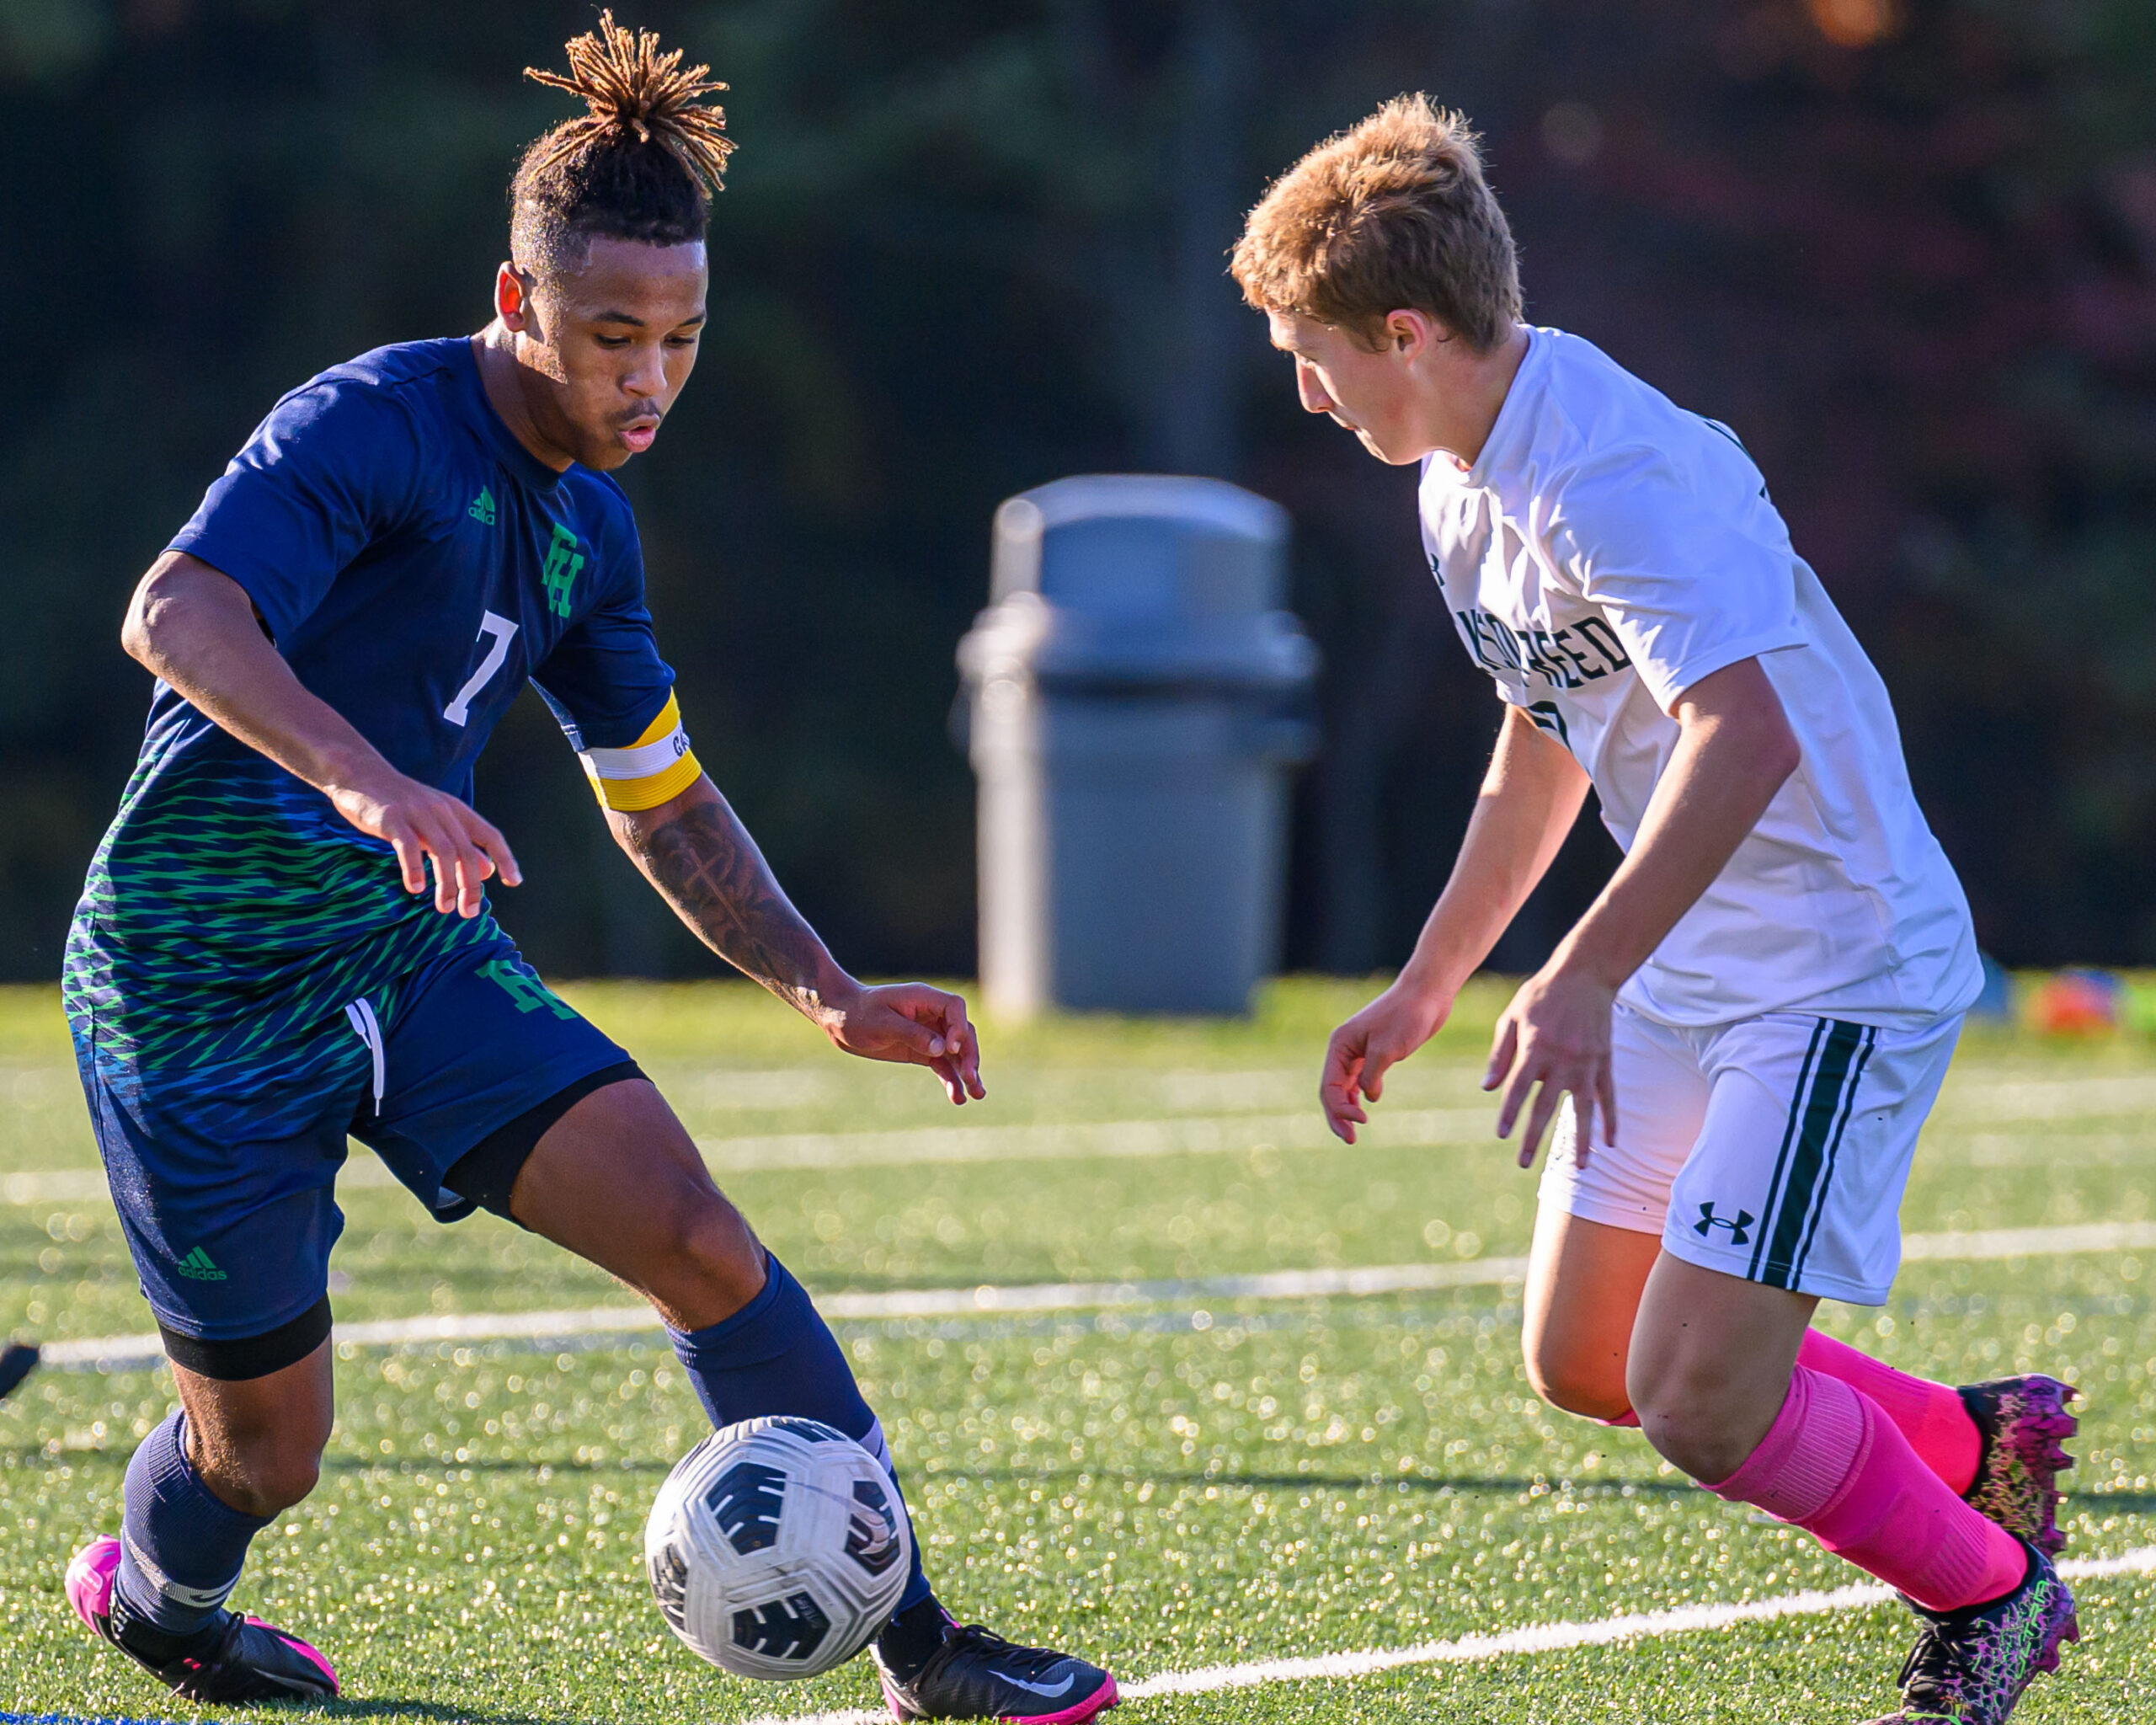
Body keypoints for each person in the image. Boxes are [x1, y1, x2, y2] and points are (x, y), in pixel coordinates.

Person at [59, 18, 1117, 1722]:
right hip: (197, 986)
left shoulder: (587, 532)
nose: (649, 375)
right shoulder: (374, 425)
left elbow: (664, 801)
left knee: (702, 1244)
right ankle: (163, 1594)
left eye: (681, 337)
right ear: (516, 296)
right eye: (612, 331)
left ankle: (923, 1652)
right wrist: (373, 777)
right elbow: (173, 612)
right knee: (264, 1454)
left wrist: (824, 989)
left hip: (404, 958)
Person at [1231, 95, 2078, 1725]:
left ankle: (1996, 1591)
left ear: (1407, 330)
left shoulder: (1612, 472)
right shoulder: (1456, 474)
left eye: (1311, 352)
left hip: (1833, 967)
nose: (1308, 389)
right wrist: (1429, 984)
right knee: (1588, 1362)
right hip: (1686, 955)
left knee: (1699, 1402)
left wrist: (1583, 971)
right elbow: (1547, 731)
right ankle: (1981, 1445)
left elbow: (1742, 734)